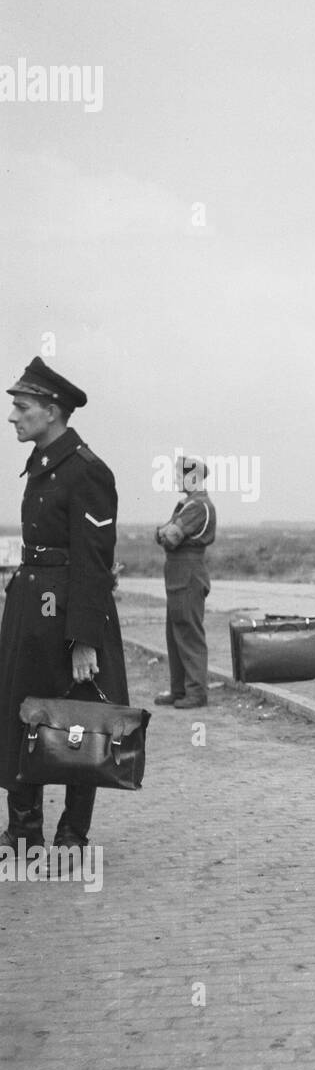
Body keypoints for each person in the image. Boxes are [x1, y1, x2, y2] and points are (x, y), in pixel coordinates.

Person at [1, 358, 130, 864]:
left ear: (52, 411)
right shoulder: (40, 463)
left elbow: (93, 563)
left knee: (82, 721)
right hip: (30, 613)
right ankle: (23, 830)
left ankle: (73, 834)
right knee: (22, 711)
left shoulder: (88, 471)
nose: (12, 416)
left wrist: (84, 639)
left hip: (72, 618)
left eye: (22, 406)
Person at [153, 456, 216, 709]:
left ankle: (196, 692)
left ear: (193, 477)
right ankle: (180, 689)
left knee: (189, 633)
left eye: (180, 475)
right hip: (179, 573)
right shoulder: (187, 504)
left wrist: (165, 532)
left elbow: (169, 536)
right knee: (175, 633)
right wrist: (164, 532)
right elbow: (164, 534)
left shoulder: (197, 506)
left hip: (188, 572)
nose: (176, 479)